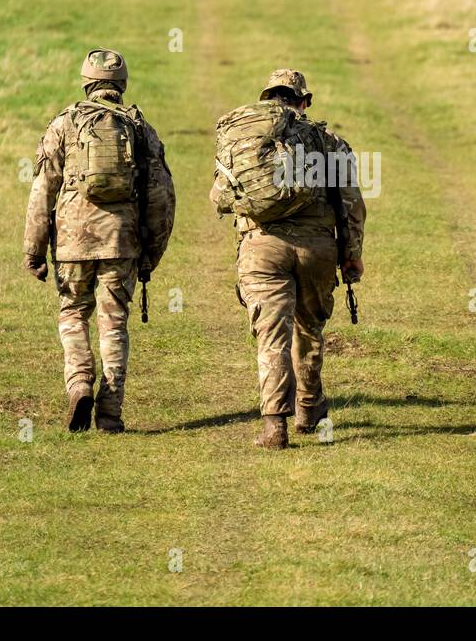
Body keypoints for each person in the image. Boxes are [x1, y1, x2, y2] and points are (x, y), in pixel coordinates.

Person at [210, 70, 366, 449]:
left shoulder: (247, 139)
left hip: (261, 246)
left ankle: (273, 426)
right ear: (303, 101)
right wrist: (352, 255)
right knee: (309, 328)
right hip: (316, 250)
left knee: (271, 335)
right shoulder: (328, 142)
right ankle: (309, 407)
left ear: (266, 99)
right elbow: (351, 204)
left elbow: (218, 197)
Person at [22, 48, 175, 432]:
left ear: (86, 83)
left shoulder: (65, 124)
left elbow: (42, 190)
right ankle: (110, 412)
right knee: (114, 323)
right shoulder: (139, 128)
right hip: (120, 242)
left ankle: (79, 384)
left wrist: (34, 249)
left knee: (73, 314)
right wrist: (150, 254)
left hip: (72, 243)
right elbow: (161, 196)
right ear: (121, 86)